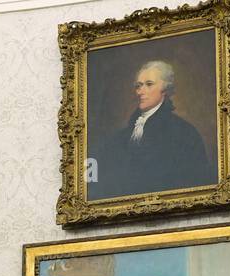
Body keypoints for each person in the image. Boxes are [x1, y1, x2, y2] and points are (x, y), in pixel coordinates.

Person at [90, 60, 215, 201]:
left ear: (165, 89)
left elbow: (193, 184)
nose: (140, 92)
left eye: (149, 84)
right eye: (138, 86)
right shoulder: (122, 136)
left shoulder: (183, 133)